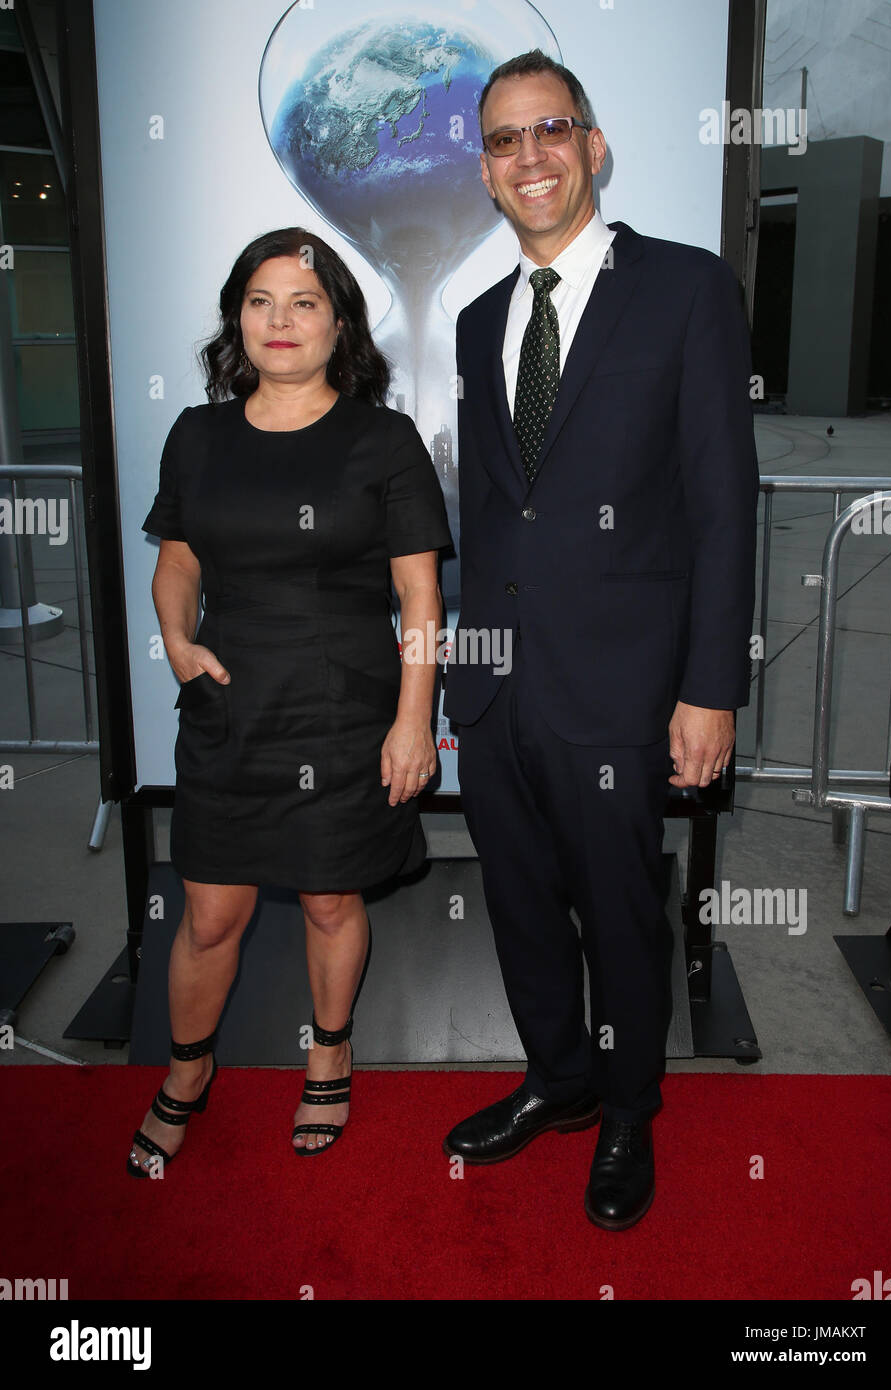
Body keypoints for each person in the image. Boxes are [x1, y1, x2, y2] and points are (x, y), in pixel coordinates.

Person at [442, 52, 759, 1229]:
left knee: (620, 909)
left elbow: (724, 501)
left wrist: (707, 685)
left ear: (593, 145)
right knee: (521, 901)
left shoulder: (683, 291)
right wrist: (461, 683)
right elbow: (487, 514)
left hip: (625, 689)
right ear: (484, 169)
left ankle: (628, 1107)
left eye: (551, 130)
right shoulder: (479, 323)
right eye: (506, 140)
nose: (530, 156)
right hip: (499, 691)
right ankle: (559, 1080)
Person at [128, 228, 451, 1176]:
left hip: (346, 712)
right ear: (238, 316)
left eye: (304, 302)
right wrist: (181, 642)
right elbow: (177, 559)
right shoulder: (198, 435)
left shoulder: (381, 441)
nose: (280, 321)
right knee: (209, 915)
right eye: (262, 300)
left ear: (339, 322)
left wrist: (411, 721)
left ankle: (329, 1052)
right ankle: (189, 1070)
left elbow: (422, 597)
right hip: (231, 715)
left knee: (326, 899)